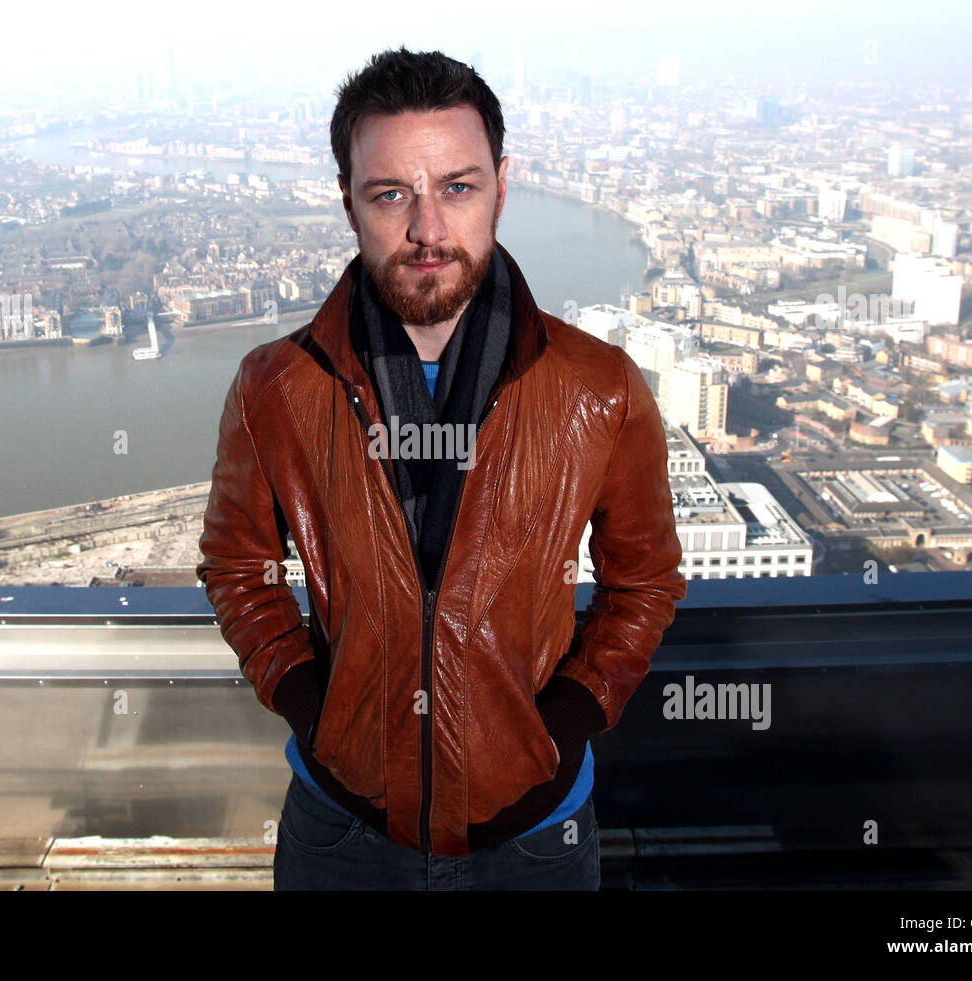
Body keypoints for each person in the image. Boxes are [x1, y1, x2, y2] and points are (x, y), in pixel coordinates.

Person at [197, 47, 685, 890]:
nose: (428, 229)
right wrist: (316, 710)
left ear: (503, 183)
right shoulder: (275, 389)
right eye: (392, 194)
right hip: (342, 831)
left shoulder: (597, 389)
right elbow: (238, 568)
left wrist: (559, 724)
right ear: (348, 203)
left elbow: (645, 581)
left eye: (457, 187)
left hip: (536, 835)